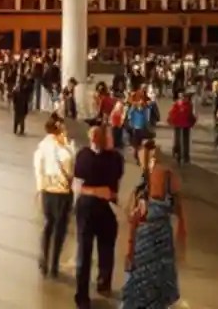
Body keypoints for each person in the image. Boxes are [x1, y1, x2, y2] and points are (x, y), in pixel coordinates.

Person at [121, 139, 187, 309]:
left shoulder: (144, 184)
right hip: (161, 239)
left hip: (146, 240)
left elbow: (131, 218)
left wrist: (129, 250)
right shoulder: (168, 177)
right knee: (159, 286)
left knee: (140, 287)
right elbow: (179, 211)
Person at [73, 126, 123, 309]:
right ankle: (104, 282)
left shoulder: (83, 156)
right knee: (106, 247)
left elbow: (77, 186)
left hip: (86, 207)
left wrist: (93, 191)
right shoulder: (116, 159)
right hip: (107, 207)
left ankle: (82, 296)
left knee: (84, 252)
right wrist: (103, 192)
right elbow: (115, 184)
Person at [33, 113, 75, 278]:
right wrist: (69, 147)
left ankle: (44, 256)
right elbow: (71, 168)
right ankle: (54, 263)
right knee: (60, 228)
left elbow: (38, 169)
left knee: (48, 224)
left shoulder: (42, 146)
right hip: (62, 192)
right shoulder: (64, 147)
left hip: (47, 191)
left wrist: (39, 189)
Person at [167, 93, 195, 165]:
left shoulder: (183, 104)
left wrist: (170, 120)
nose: (183, 99)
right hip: (182, 124)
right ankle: (183, 156)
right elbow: (190, 115)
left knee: (179, 140)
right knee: (182, 141)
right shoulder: (188, 105)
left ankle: (179, 155)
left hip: (181, 124)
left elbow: (172, 113)